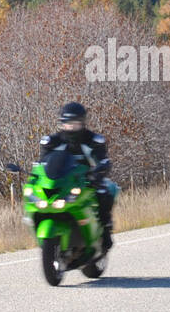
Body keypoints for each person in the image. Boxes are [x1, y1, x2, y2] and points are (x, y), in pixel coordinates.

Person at [38, 102, 115, 252]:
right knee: (37, 195)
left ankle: (105, 229)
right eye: (67, 124)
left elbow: (103, 160)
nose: (71, 128)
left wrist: (98, 172)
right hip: (62, 181)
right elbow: (42, 164)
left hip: (86, 179)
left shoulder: (93, 140)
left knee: (104, 193)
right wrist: (37, 175)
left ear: (82, 123)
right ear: (61, 123)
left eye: (75, 124)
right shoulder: (52, 141)